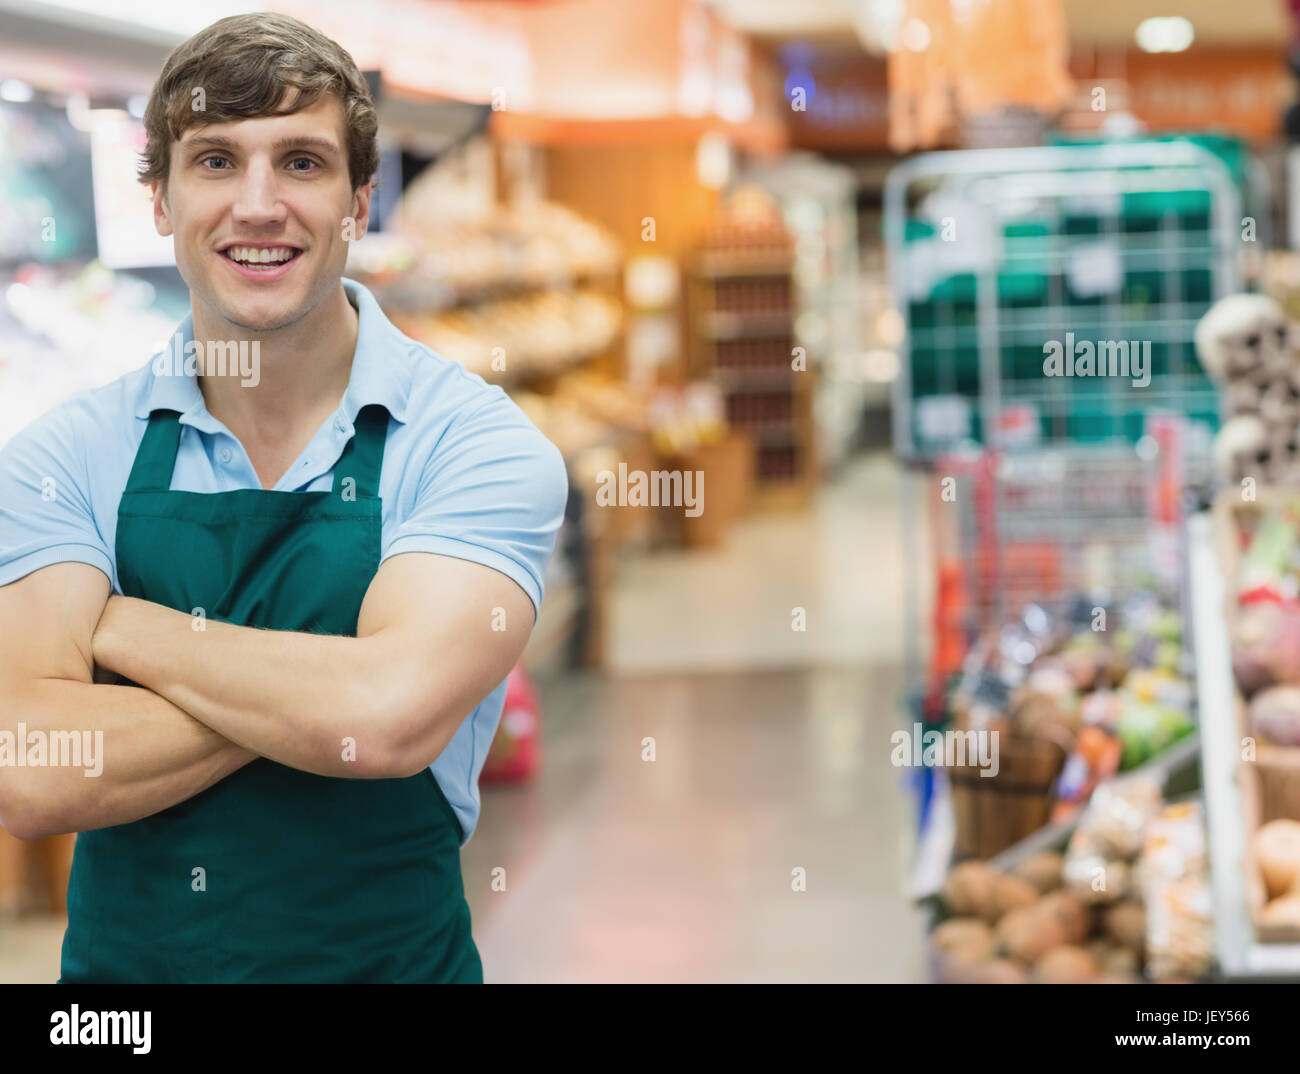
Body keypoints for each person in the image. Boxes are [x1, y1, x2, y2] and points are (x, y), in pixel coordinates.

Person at [0, 12, 567, 983]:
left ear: (358, 200)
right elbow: (30, 769)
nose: (257, 205)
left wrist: (127, 633)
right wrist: (336, 688)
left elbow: (386, 720)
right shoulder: (64, 452)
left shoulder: (473, 445)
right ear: (161, 200)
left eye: (301, 163)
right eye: (216, 161)